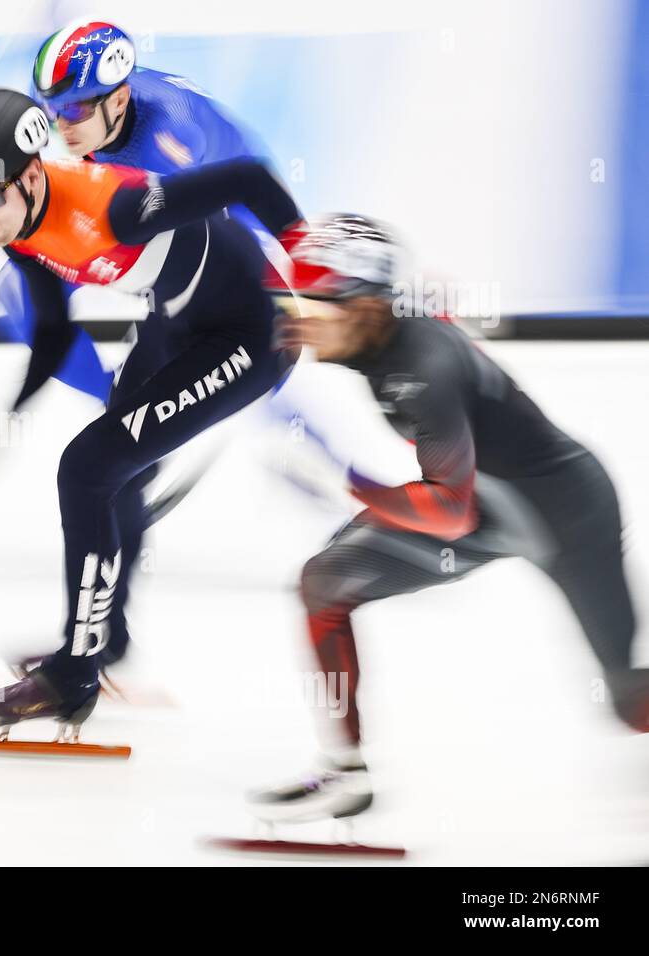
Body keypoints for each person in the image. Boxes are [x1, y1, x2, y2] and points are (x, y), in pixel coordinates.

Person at [252, 214, 649, 822]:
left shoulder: (419, 369)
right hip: (488, 503)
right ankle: (346, 773)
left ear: (365, 307)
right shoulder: (381, 330)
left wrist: (343, 480)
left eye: (310, 301)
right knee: (324, 582)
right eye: (288, 298)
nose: (293, 317)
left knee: (629, 705)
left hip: (566, 513)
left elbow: (448, 515)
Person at [0, 88, 302, 738]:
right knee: (119, 473)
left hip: (253, 334)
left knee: (88, 467)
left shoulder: (117, 208)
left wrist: (314, 271)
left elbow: (250, 179)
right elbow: (52, 331)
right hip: (177, 320)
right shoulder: (18, 226)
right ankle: (105, 637)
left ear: (28, 174)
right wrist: (8, 420)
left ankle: (73, 675)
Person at [0, 19, 271, 403]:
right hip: (135, 202)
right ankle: (115, 405)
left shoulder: (168, 134)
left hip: (228, 219)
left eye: (71, 110)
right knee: (17, 296)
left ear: (119, 101)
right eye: (48, 111)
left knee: (185, 314)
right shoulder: (92, 114)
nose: (60, 125)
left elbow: (185, 247)